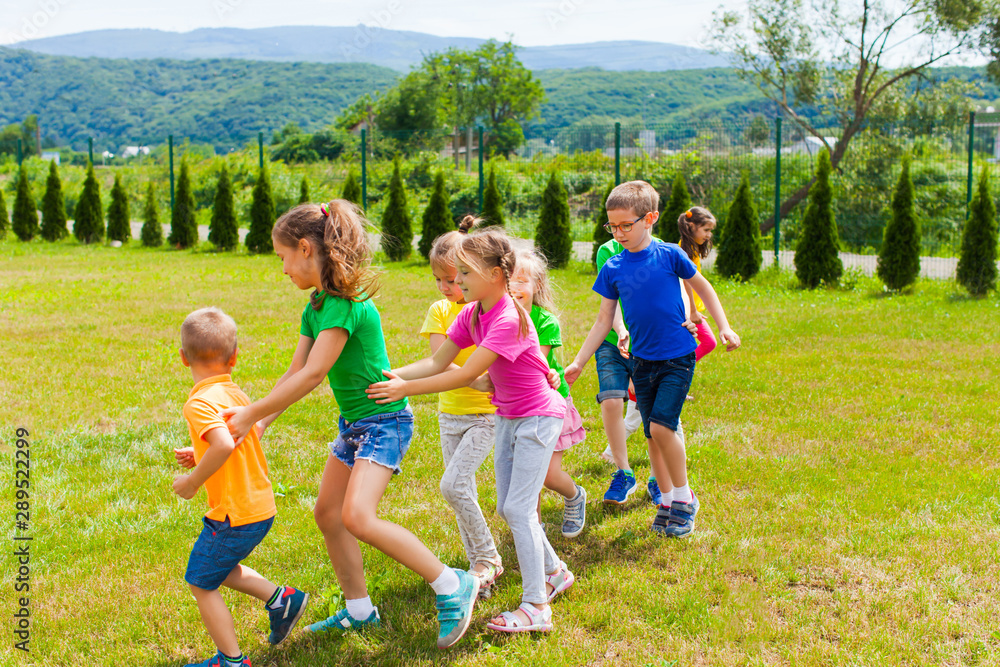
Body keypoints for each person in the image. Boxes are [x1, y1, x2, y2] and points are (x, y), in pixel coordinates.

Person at [221, 201, 479, 650]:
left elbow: (314, 374)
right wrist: (259, 422)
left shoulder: (345, 303)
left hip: (384, 421)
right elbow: (293, 372)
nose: (283, 269)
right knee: (328, 514)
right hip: (356, 424)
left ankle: (451, 583)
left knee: (357, 516)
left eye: (283, 257)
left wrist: (248, 413)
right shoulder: (317, 306)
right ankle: (359, 610)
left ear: (305, 249)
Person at [367, 227, 574, 633]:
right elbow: (438, 363)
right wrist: (390, 375)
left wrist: (405, 390)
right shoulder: (472, 313)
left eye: (465, 272)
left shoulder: (508, 319)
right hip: (509, 416)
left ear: (495, 274)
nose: (457, 280)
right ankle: (555, 572)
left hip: (538, 417)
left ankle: (536, 606)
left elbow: (466, 375)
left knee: (518, 509)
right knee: (509, 507)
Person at [565, 181, 741, 538]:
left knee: (662, 427)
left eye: (625, 225)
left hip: (677, 356)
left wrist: (723, 326)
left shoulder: (669, 255)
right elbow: (603, 320)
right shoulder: (612, 267)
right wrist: (579, 362)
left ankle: (684, 497)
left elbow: (703, 288)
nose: (618, 233)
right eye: (612, 226)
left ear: (650, 218)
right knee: (651, 435)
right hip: (641, 361)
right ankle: (666, 501)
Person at [173, 306, 308, 667]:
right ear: (234, 357)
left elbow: (222, 444)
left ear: (183, 357)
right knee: (214, 566)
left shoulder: (199, 402)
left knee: (201, 582)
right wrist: (199, 452)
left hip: (233, 515)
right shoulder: (235, 394)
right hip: (258, 508)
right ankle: (282, 599)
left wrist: (192, 481)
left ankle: (231, 661)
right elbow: (234, 441)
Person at [419, 215, 504, 597]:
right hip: (449, 413)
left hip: (485, 414)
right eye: (438, 279)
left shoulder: (485, 308)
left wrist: (479, 381)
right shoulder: (440, 310)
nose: (445, 287)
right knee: (460, 491)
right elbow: (440, 360)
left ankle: (488, 557)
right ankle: (478, 573)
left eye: (452, 279)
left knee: (452, 485)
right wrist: (473, 378)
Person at [510, 246, 588, 538]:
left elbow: (534, 362)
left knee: (547, 474)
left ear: (537, 285)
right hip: (517, 404)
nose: (513, 288)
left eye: (521, 281)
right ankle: (535, 530)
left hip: (549, 404)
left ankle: (574, 495)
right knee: (526, 472)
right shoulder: (498, 318)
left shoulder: (545, 321)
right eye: (508, 281)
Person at [678, 207, 719, 366]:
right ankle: (680, 367)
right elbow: (686, 281)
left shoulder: (692, 247)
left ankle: (679, 368)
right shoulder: (685, 249)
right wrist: (692, 310)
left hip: (689, 309)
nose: (709, 235)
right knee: (709, 342)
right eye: (706, 230)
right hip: (687, 310)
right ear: (691, 226)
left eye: (710, 231)